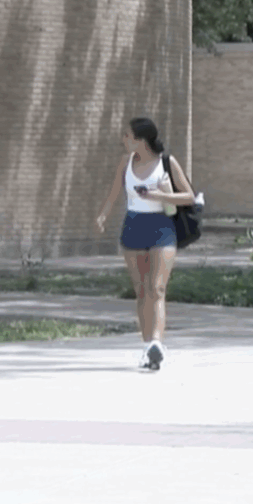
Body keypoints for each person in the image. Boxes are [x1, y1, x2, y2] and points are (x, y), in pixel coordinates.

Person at [94, 117, 196, 371]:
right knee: (141, 291)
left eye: (128, 136)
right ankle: (147, 346)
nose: (124, 140)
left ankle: (158, 344)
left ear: (141, 140)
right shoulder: (125, 163)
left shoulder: (166, 162)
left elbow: (189, 196)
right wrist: (103, 215)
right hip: (133, 227)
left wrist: (158, 195)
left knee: (157, 288)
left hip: (162, 227)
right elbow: (114, 192)